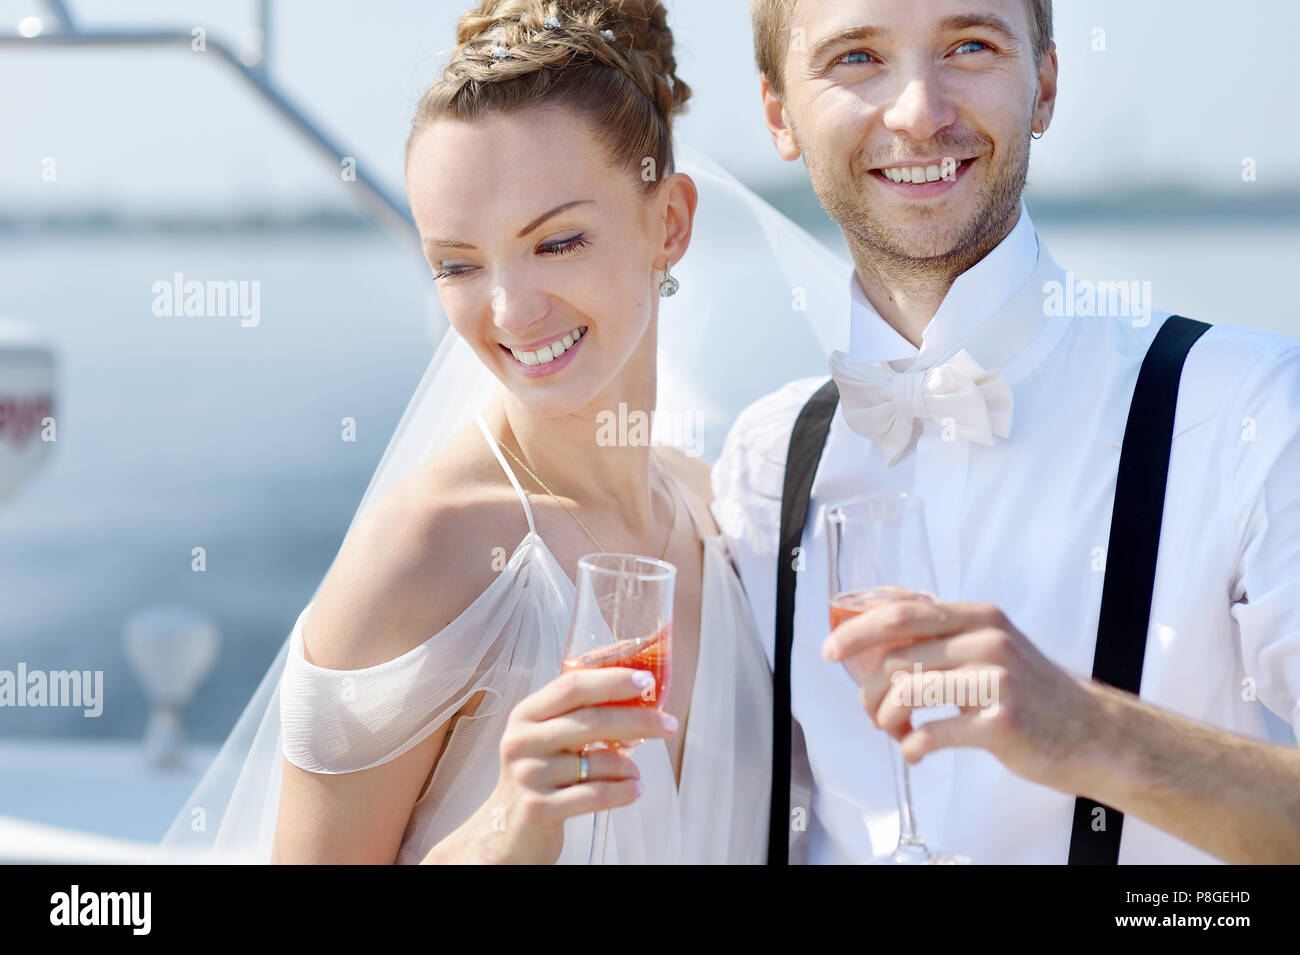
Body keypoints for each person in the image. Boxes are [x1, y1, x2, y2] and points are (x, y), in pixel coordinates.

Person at [156, 0, 793, 865]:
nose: (510, 312)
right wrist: (505, 831)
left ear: (669, 225)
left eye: (558, 242)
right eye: (457, 263)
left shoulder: (722, 516)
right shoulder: (424, 552)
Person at [714, 0, 1300, 864]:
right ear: (780, 116)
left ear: (1046, 85)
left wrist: (1091, 731)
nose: (919, 111)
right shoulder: (762, 463)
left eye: (970, 45)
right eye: (856, 58)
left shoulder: (1249, 406)